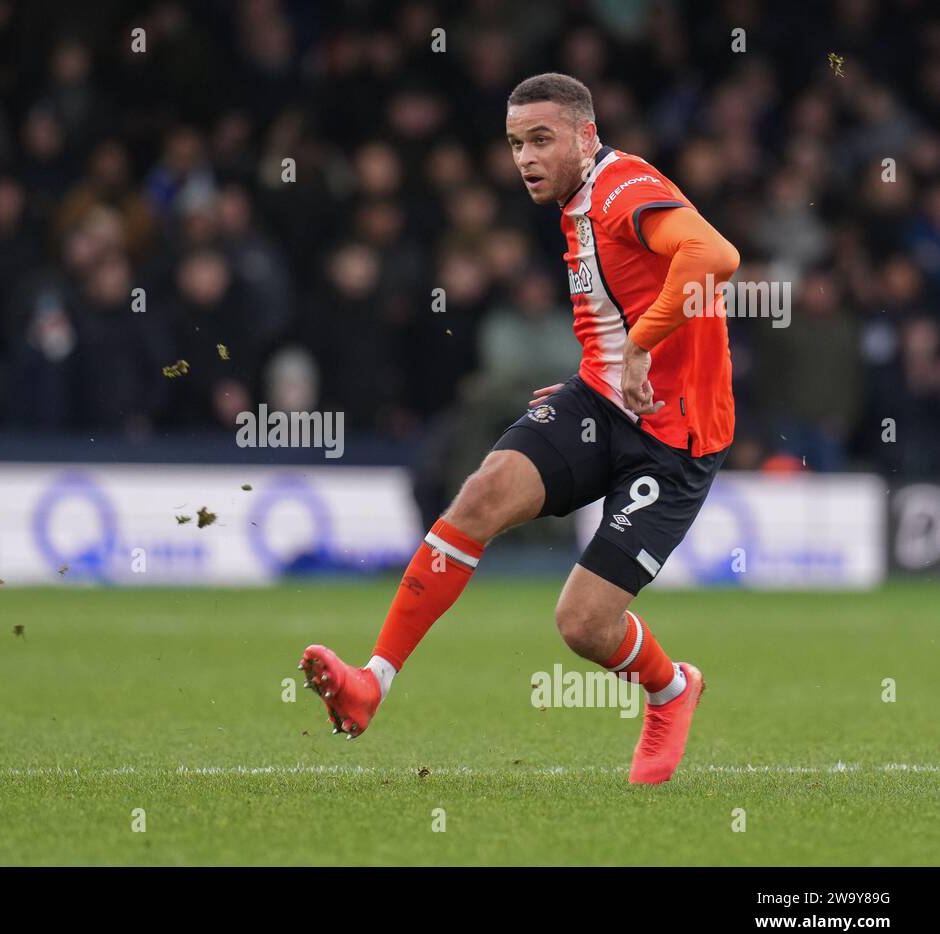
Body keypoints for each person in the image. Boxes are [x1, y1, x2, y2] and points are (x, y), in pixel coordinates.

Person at [299, 73, 741, 785]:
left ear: (586, 137)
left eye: (541, 139)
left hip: (674, 438)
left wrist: (640, 345)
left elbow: (715, 258)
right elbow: (621, 298)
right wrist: (600, 365)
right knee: (480, 494)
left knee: (583, 626)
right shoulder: (576, 204)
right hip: (600, 401)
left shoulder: (624, 188)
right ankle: (371, 681)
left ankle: (670, 690)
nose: (526, 157)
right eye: (514, 144)